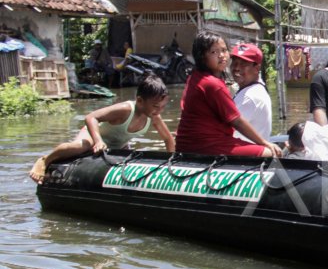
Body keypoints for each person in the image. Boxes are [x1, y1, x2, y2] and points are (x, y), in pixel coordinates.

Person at [30, 74, 174, 183]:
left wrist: (171, 162)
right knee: (82, 146)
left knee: (132, 159)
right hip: (93, 136)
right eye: (155, 106)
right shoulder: (125, 109)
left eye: (162, 107)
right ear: (140, 101)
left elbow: (168, 139)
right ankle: (45, 160)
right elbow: (91, 117)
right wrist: (97, 140)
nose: (159, 110)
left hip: (117, 145)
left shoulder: (154, 117)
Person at [175, 32, 282, 158]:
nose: (222, 56)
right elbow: (236, 121)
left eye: (224, 50)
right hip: (206, 145)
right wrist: (264, 143)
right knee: (270, 153)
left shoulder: (196, 77)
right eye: (214, 52)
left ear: (257, 68)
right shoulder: (212, 84)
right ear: (202, 56)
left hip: (190, 144)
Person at [229, 42, 272, 142]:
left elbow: (225, 129)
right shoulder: (251, 89)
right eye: (234, 63)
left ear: (256, 68)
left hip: (246, 156)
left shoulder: (250, 96)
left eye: (243, 64)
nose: (237, 68)